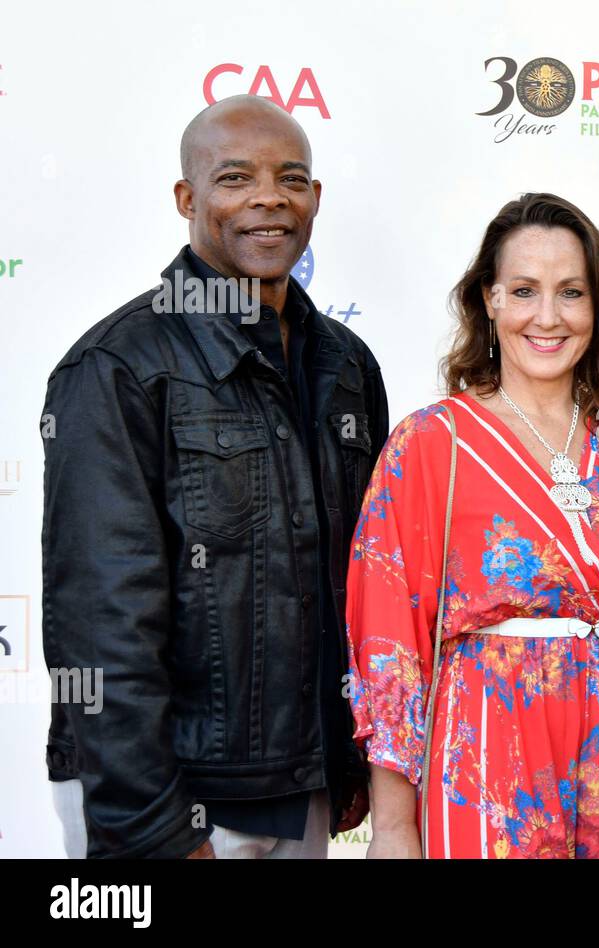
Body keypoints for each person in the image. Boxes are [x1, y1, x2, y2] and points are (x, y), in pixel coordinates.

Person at [41, 94, 385, 858]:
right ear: (187, 199)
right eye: (236, 178)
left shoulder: (348, 365)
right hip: (176, 796)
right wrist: (151, 829)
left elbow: (360, 583)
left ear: (315, 200)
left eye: (291, 179)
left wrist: (349, 758)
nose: (269, 198)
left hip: (301, 785)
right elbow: (100, 623)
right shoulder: (119, 366)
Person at [347, 193, 599, 859]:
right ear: (489, 299)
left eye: (571, 292)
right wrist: (392, 828)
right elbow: (389, 647)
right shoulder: (433, 443)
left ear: (598, 305)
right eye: (524, 290)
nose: (547, 316)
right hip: (481, 748)